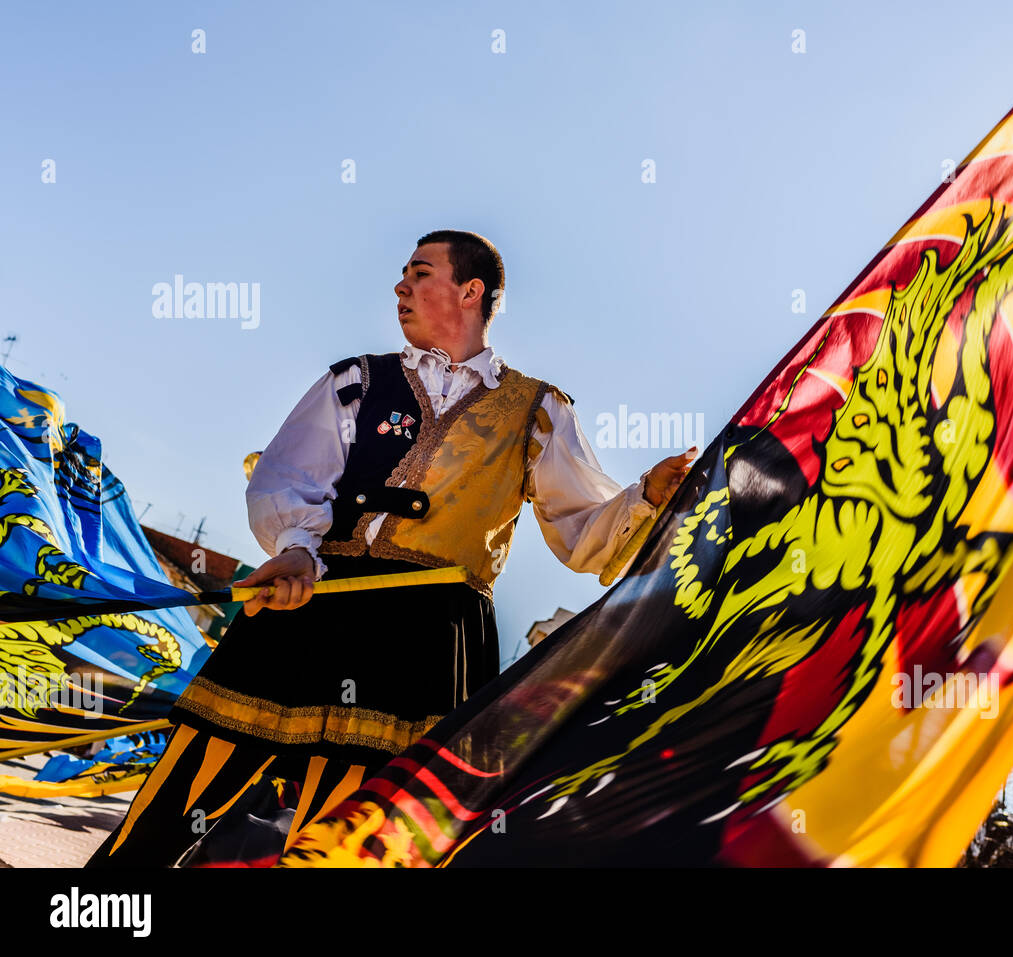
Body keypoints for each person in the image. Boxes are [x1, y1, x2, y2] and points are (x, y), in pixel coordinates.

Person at [87, 229, 694, 867]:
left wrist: (647, 495)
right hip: (315, 601)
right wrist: (297, 548)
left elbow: (585, 533)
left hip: (431, 637)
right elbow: (285, 479)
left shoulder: (535, 410)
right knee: (184, 792)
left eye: (420, 272)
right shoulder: (356, 380)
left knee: (357, 830)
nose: (400, 286)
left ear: (470, 290)